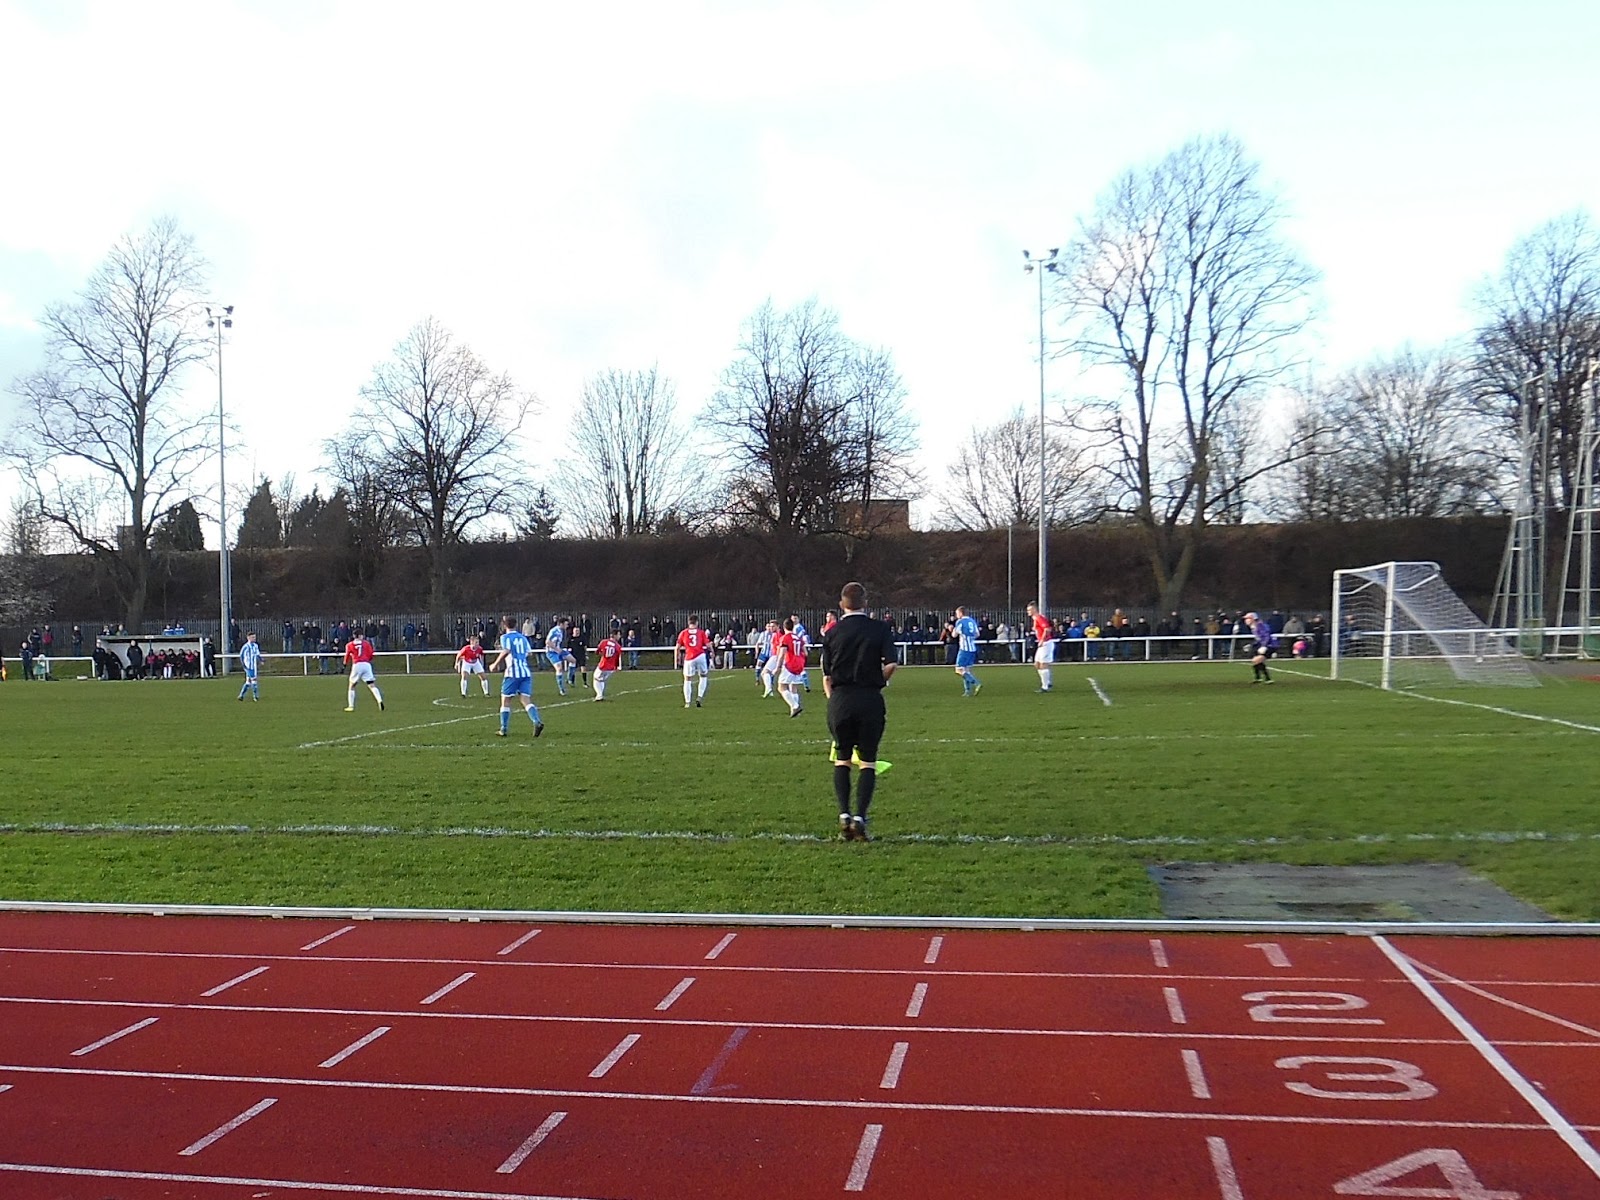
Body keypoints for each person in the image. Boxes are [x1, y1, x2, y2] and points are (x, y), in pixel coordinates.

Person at [821, 581, 897, 842]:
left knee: (842, 758)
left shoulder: (832, 632)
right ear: (865, 603)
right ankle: (860, 817)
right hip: (869, 698)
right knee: (868, 761)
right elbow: (891, 664)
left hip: (840, 699)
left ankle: (843, 813)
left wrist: (834, 700)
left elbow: (827, 675)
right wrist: (878, 681)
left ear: (842, 604)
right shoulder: (879, 629)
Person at [489, 615, 544, 738]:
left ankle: (503, 729)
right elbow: (529, 653)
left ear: (504, 625)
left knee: (506, 700)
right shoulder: (523, 638)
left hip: (512, 673)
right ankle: (536, 721)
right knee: (525, 700)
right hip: (525, 672)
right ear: (516, 625)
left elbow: (506, 650)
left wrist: (495, 664)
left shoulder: (505, 637)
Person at [675, 613, 712, 708]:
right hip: (700, 656)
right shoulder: (701, 632)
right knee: (703, 676)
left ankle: (687, 702)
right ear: (697, 622)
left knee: (687, 679)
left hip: (689, 657)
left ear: (688, 622)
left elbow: (677, 647)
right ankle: (699, 697)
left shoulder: (683, 633)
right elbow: (708, 645)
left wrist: (677, 658)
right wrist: (712, 652)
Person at [342, 629, 385, 712]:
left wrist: (344, 664)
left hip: (357, 665)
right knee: (371, 685)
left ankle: (351, 706)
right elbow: (371, 654)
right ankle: (379, 700)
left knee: (352, 686)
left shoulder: (349, 645)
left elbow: (347, 656)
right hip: (366, 665)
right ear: (359, 636)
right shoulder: (366, 643)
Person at [775, 617, 807, 717]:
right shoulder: (797, 637)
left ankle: (795, 706)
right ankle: (796, 712)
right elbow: (805, 652)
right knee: (793, 687)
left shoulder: (785, 638)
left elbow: (782, 653)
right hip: (799, 663)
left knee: (781, 687)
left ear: (784, 627)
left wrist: (778, 667)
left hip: (790, 664)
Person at [1026, 601, 1056, 692]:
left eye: (1029, 610)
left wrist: (1042, 640)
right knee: (1037, 664)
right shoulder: (1036, 619)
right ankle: (1047, 682)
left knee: (1043, 664)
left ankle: (1045, 687)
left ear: (1034, 609)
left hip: (1046, 644)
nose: (1028, 612)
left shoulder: (1039, 618)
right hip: (1042, 644)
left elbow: (1047, 629)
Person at [952, 606, 982, 696]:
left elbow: (954, 635)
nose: (956, 615)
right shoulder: (972, 621)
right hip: (972, 648)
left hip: (964, 649)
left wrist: (953, 630)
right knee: (966, 670)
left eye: (957, 613)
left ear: (961, 613)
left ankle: (976, 683)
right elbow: (977, 634)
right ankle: (967, 691)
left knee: (959, 669)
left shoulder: (960, 622)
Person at [1246, 611, 1278, 684]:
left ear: (1253, 619)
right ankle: (1261, 678)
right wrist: (1253, 644)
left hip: (1270, 645)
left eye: (1248, 618)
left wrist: (1264, 646)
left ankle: (1266, 678)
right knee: (1256, 660)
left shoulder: (1260, 625)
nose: (1246, 620)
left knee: (1257, 660)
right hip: (1265, 645)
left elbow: (1267, 636)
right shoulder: (1253, 627)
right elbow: (1260, 638)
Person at [455, 633, 491, 697]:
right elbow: (458, 655)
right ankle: (463, 693)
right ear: (472, 642)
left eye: (478, 642)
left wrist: (481, 663)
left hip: (475, 662)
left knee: (483, 677)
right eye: (476, 642)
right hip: (467, 662)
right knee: (464, 676)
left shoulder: (479, 649)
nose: (478, 644)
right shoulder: (466, 649)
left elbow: (481, 655)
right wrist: (457, 664)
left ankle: (486, 693)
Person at [593, 630, 622, 701]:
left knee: (596, 679)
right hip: (611, 668)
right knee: (602, 680)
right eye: (618, 635)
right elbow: (618, 657)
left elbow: (597, 651)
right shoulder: (618, 646)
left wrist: (602, 654)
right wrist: (617, 667)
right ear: (614, 635)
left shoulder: (604, 642)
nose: (619, 636)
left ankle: (599, 695)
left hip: (603, 665)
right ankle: (600, 695)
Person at [544, 619, 569, 697]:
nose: (567, 626)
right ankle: (562, 689)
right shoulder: (554, 631)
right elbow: (547, 642)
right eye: (566, 624)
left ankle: (570, 679)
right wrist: (556, 649)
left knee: (573, 660)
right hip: (552, 652)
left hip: (558, 650)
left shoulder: (561, 631)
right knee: (559, 668)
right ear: (561, 624)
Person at [237, 631, 263, 701]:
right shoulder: (245, 647)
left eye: (254, 637)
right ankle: (256, 696)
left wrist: (261, 660)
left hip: (254, 667)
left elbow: (257, 654)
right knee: (254, 680)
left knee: (248, 682)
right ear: (248, 638)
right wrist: (244, 665)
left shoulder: (255, 645)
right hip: (248, 667)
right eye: (252, 637)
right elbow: (241, 656)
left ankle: (241, 695)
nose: (254, 638)